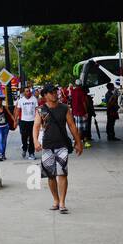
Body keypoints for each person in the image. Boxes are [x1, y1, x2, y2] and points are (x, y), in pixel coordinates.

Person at [33, 83, 83, 213]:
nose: (54, 94)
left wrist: (78, 142)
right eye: (51, 92)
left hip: (62, 146)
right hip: (47, 146)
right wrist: (35, 142)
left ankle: (62, 202)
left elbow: (72, 125)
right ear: (45, 95)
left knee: (62, 174)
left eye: (55, 92)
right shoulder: (40, 110)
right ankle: (55, 199)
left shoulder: (64, 108)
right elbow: (36, 127)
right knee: (50, 176)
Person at [15, 85, 39, 160]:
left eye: (29, 91)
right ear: (24, 93)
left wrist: (39, 120)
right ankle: (24, 148)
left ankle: (31, 153)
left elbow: (37, 109)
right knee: (24, 137)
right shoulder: (21, 100)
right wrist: (15, 120)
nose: (28, 92)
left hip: (32, 121)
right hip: (23, 121)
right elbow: (17, 111)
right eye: (27, 91)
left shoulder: (34, 99)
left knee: (32, 137)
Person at [69, 83, 90, 149]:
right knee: (81, 129)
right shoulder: (81, 92)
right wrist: (86, 112)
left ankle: (76, 141)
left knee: (77, 128)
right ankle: (78, 142)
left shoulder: (73, 91)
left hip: (75, 112)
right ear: (80, 85)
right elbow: (84, 102)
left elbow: (70, 88)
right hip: (81, 112)